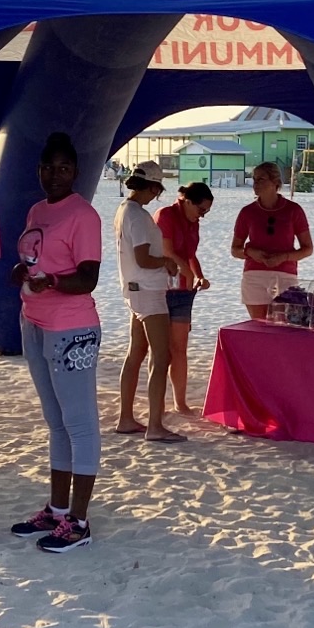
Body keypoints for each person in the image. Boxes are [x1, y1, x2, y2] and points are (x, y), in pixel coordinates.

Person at [9, 132, 104, 552]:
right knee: (56, 421)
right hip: (34, 321)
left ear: (76, 172)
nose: (55, 175)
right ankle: (58, 509)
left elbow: (88, 277)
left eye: (64, 168)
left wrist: (53, 281)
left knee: (80, 423)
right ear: (39, 170)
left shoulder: (84, 216)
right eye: (48, 168)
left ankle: (80, 523)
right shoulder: (36, 210)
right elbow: (35, 258)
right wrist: (22, 272)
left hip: (72, 329)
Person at [113, 162, 182, 441]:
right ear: (152, 187)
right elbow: (143, 258)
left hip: (133, 288)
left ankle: (126, 417)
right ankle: (155, 424)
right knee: (162, 356)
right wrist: (166, 262)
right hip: (148, 291)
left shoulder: (124, 211)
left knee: (136, 353)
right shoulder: (138, 216)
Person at [231, 161, 313, 321]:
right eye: (254, 180)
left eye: (261, 179)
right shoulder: (247, 212)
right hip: (254, 276)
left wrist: (283, 257)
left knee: (282, 328)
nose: (255, 184)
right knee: (260, 328)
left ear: (275, 182)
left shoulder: (293, 210)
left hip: (285, 275)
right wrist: (250, 252)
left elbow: (307, 249)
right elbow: (235, 249)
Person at [157, 182, 213, 413]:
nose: (202, 216)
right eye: (201, 210)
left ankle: (180, 402)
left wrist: (199, 275)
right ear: (188, 201)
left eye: (206, 213)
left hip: (183, 292)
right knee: (159, 350)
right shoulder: (166, 215)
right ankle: (156, 401)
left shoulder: (193, 223)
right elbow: (166, 250)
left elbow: (190, 255)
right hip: (159, 290)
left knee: (179, 348)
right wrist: (186, 270)